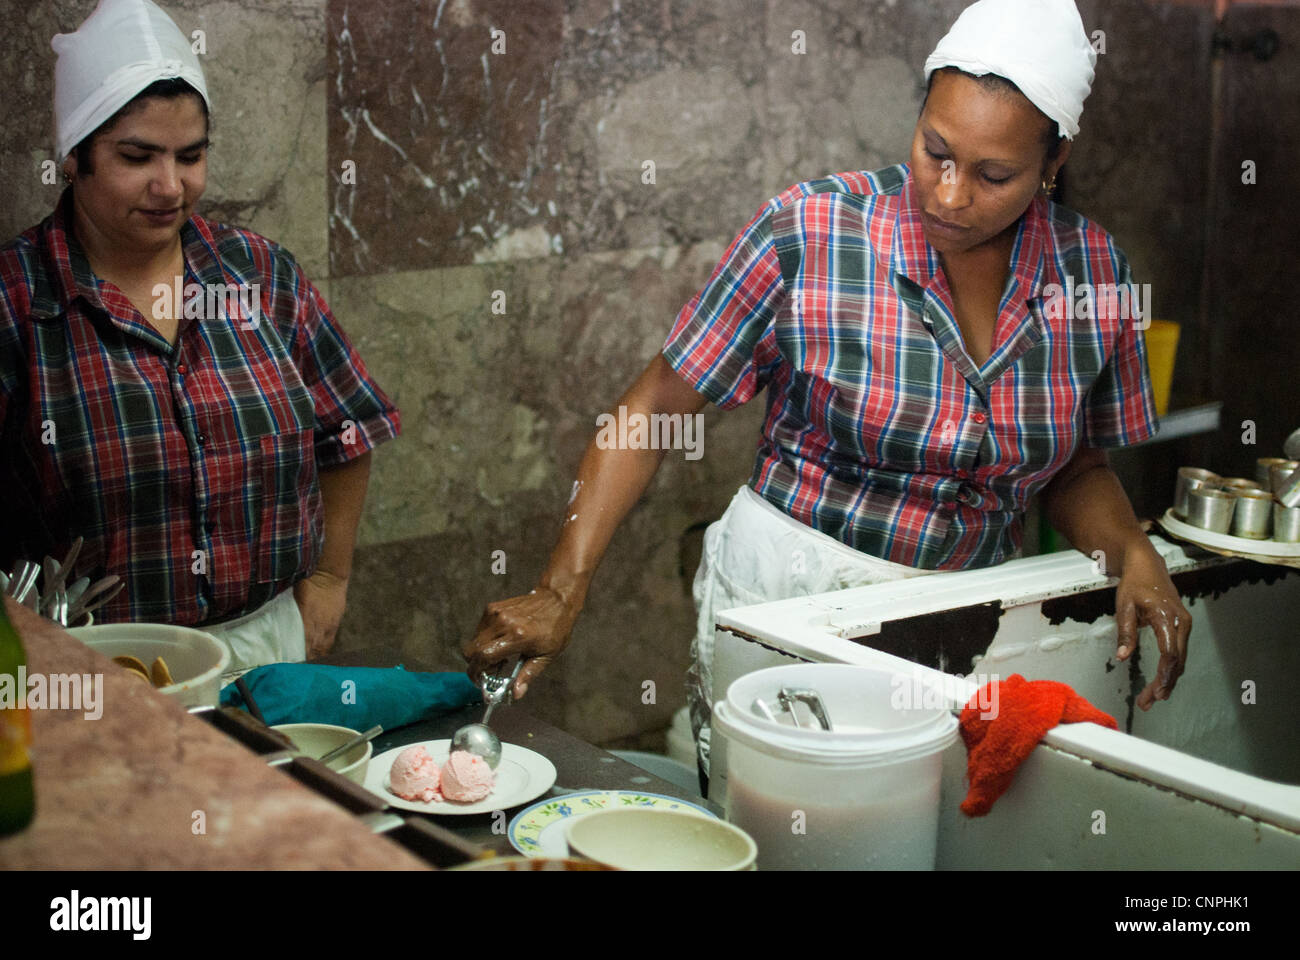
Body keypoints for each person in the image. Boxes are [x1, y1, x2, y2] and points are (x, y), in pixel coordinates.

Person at [466, 0, 1191, 788]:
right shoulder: (812, 232)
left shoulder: (1096, 274)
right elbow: (651, 414)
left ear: (1055, 160)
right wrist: (560, 588)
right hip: (792, 607)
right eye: (935, 150)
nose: (949, 196)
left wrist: (1130, 551)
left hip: (972, 627)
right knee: (785, 833)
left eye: (993, 175)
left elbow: (1075, 466)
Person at [0, 0, 399, 671]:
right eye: (137, 156)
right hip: (94, 667)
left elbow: (349, 432)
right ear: (74, 157)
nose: (169, 186)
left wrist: (329, 581)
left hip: (266, 652)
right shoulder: (17, 301)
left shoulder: (262, 275)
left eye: (191, 156)